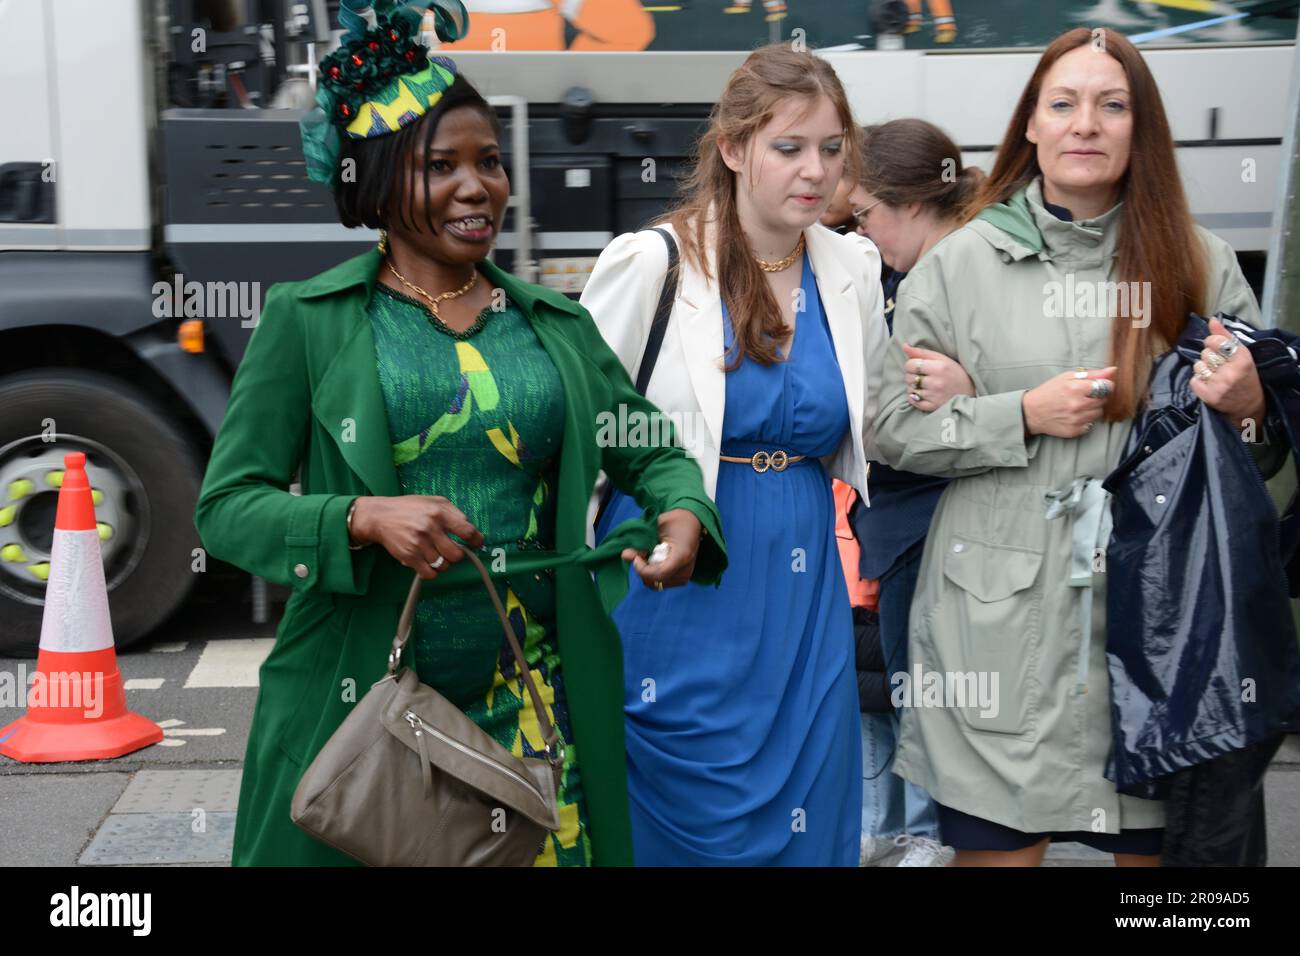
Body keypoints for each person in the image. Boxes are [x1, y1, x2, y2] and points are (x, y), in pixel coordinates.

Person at [193, 0, 725, 867]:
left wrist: (681, 511)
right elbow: (225, 510)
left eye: (489, 162)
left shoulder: (552, 325)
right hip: (368, 711)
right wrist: (359, 518)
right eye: (440, 166)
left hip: (535, 704)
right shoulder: (311, 322)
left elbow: (650, 445)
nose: (478, 187)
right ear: (374, 181)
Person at [873, 26, 1274, 866]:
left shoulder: (1198, 263)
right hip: (994, 635)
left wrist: (1250, 405)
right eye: (1063, 103)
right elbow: (889, 430)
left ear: (1141, 129)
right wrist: (1016, 414)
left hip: (1162, 634)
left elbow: (1259, 455)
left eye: (1112, 105)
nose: (1085, 123)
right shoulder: (959, 266)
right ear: (1031, 125)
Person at [579, 43, 890, 865]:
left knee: (808, 804)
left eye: (831, 148)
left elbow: (874, 425)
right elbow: (581, 433)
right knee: (680, 814)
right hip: (677, 577)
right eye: (789, 148)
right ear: (733, 148)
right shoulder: (652, 264)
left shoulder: (852, 268)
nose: (816, 170)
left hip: (803, 587)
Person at [849, 118, 985, 867]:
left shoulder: (957, 281)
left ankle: (932, 844)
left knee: (933, 712)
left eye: (866, 211)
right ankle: (919, 840)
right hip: (904, 531)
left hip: (933, 529)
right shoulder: (905, 280)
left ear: (907, 202)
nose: (862, 229)